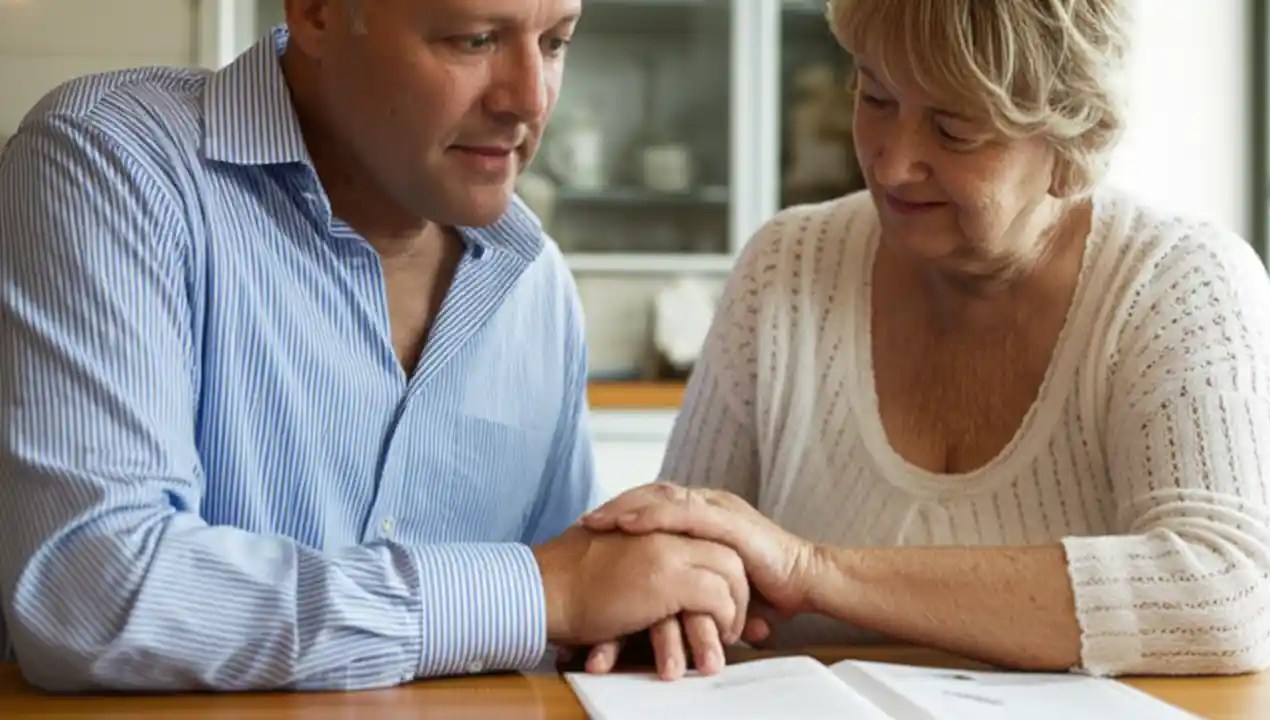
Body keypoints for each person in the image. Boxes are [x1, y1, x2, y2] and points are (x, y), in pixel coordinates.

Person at [0, 0, 745, 691]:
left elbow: (564, 621)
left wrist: (634, 614)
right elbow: (89, 592)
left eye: (554, 43)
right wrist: (544, 591)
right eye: (475, 39)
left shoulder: (535, 288)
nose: (530, 98)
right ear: (319, 11)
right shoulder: (109, 167)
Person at [584, 0, 1270, 677]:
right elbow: (680, 555)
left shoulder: (1179, 282)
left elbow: (1229, 593)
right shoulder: (785, 266)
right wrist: (666, 601)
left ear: (1071, 139)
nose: (891, 165)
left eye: (954, 130)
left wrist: (812, 572)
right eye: (875, 96)